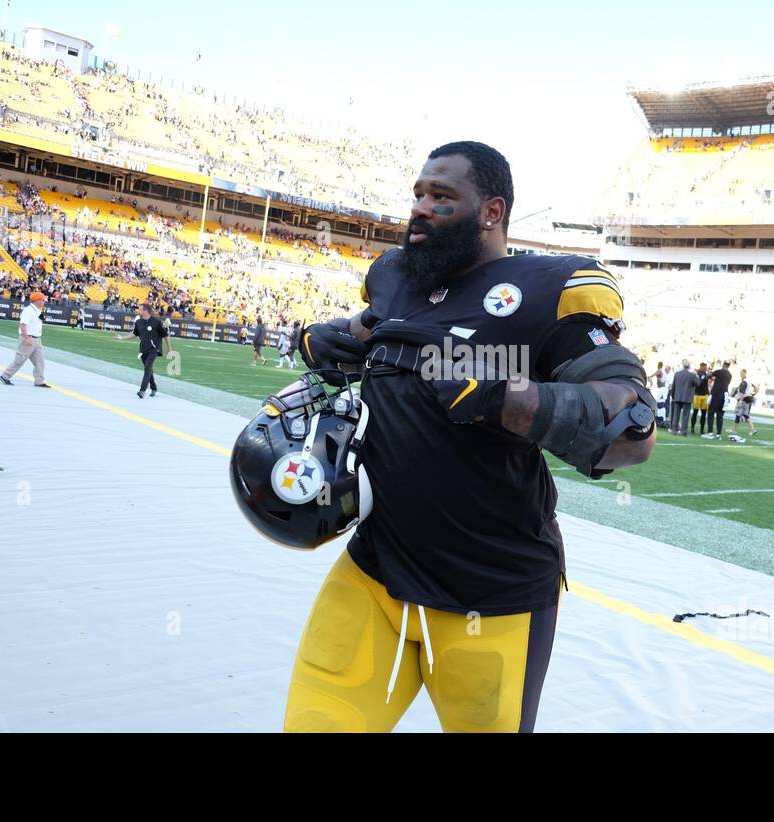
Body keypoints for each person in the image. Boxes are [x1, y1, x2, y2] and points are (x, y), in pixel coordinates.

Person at [286, 141, 656, 732]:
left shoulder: (547, 289)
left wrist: (506, 399)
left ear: (491, 211)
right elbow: (369, 333)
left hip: (492, 595)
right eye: (418, 194)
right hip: (374, 572)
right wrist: (323, 341)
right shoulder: (396, 278)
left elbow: (631, 426)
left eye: (442, 196)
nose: (421, 208)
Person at [111, 303, 171, 398]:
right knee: (148, 369)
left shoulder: (156, 322)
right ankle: (154, 388)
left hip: (154, 349)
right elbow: (134, 334)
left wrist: (169, 349)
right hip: (143, 349)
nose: (138, 311)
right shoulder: (139, 322)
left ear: (146, 311)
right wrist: (122, 338)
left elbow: (166, 336)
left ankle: (142, 390)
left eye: (140, 309)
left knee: (147, 367)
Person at [0, 292, 49, 388]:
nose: (44, 302)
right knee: (20, 360)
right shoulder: (28, 311)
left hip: (37, 339)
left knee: (40, 361)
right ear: (37, 300)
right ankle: (5, 376)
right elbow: (22, 325)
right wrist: (26, 338)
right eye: (42, 300)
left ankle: (39, 381)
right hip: (28, 338)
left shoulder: (37, 310)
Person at [702, 359, 733, 439]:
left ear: (723, 364)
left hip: (716, 394)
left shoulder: (719, 371)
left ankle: (710, 433)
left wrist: (709, 374)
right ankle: (719, 434)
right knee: (720, 415)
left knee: (711, 413)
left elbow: (709, 376)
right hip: (725, 395)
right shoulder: (730, 374)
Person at [730, 368, 758, 437]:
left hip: (743, 400)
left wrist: (740, 401)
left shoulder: (744, 382)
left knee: (738, 414)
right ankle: (753, 429)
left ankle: (734, 429)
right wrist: (754, 393)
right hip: (748, 399)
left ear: (744, 373)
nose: (740, 374)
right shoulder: (748, 381)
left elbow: (742, 393)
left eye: (741, 373)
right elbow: (755, 387)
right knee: (746, 415)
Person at [670, 359, 695, 435]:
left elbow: (673, 385)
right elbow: (698, 383)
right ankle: (683, 431)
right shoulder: (691, 375)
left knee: (676, 415)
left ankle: (674, 429)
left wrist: (673, 395)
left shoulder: (677, 374)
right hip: (687, 398)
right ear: (689, 366)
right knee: (685, 415)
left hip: (677, 397)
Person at [689, 362, 710, 435]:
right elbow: (699, 382)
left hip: (704, 395)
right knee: (695, 412)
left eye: (705, 367)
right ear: (701, 367)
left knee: (704, 413)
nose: (705, 368)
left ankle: (702, 429)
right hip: (697, 395)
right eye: (704, 367)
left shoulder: (706, 374)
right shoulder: (697, 374)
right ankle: (692, 428)